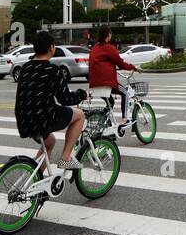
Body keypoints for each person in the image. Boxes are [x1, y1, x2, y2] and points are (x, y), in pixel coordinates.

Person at [13, 30, 88, 170]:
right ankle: (66, 158)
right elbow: (65, 99)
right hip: (43, 118)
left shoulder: (25, 67)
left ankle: (35, 176)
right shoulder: (53, 69)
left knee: (50, 142)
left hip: (24, 120)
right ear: (52, 47)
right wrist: (81, 95)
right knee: (79, 115)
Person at [88, 27, 136, 120]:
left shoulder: (94, 48)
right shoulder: (109, 48)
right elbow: (121, 64)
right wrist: (133, 67)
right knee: (125, 93)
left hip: (94, 84)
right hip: (106, 83)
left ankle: (103, 121)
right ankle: (124, 119)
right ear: (108, 35)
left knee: (110, 101)